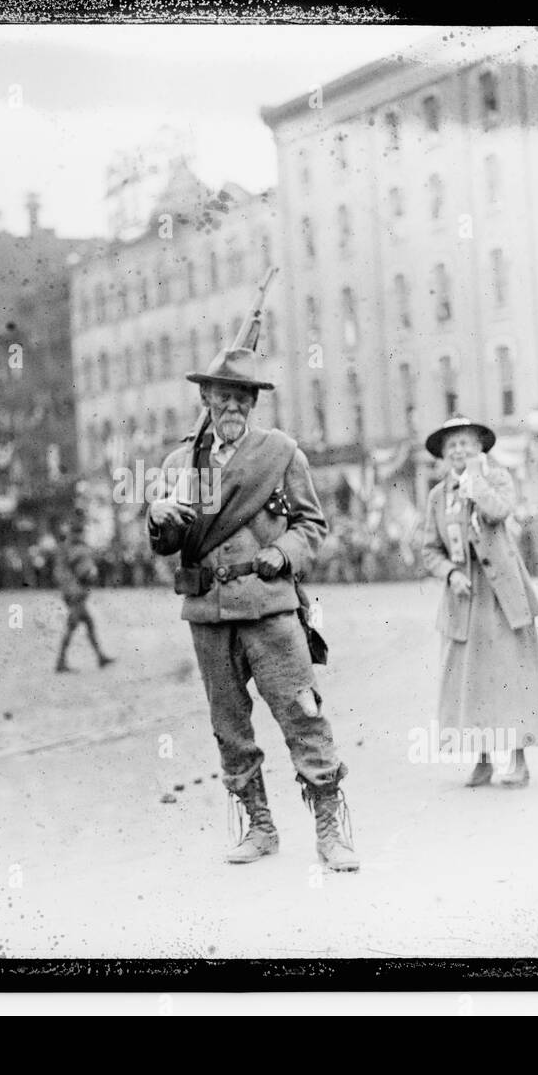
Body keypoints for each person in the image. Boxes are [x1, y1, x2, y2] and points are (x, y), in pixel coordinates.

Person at [146, 345, 358, 871]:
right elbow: (164, 546)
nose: (233, 408)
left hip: (269, 608)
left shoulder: (280, 454)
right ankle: (259, 826)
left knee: (302, 714)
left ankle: (331, 829)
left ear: (253, 403)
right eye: (224, 398)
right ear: (205, 399)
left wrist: (281, 552)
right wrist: (158, 515)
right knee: (229, 726)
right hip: (209, 614)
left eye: (243, 398)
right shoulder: (179, 465)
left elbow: (312, 525)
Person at [421, 417, 538, 788]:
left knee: (511, 676)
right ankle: (481, 760)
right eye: (451, 446)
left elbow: (498, 511)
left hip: (501, 596)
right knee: (470, 681)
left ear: (480, 448)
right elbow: (429, 549)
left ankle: (518, 759)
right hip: (465, 599)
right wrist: (450, 573)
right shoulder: (437, 496)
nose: (458, 451)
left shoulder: (496, 479)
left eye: (465, 444)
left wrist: (474, 481)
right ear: (443, 455)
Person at [53, 519, 114, 673]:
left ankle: (100, 657)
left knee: (88, 624)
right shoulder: (70, 549)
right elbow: (64, 573)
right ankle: (61, 662)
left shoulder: (76, 547)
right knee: (72, 625)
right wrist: (74, 589)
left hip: (78, 592)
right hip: (75, 593)